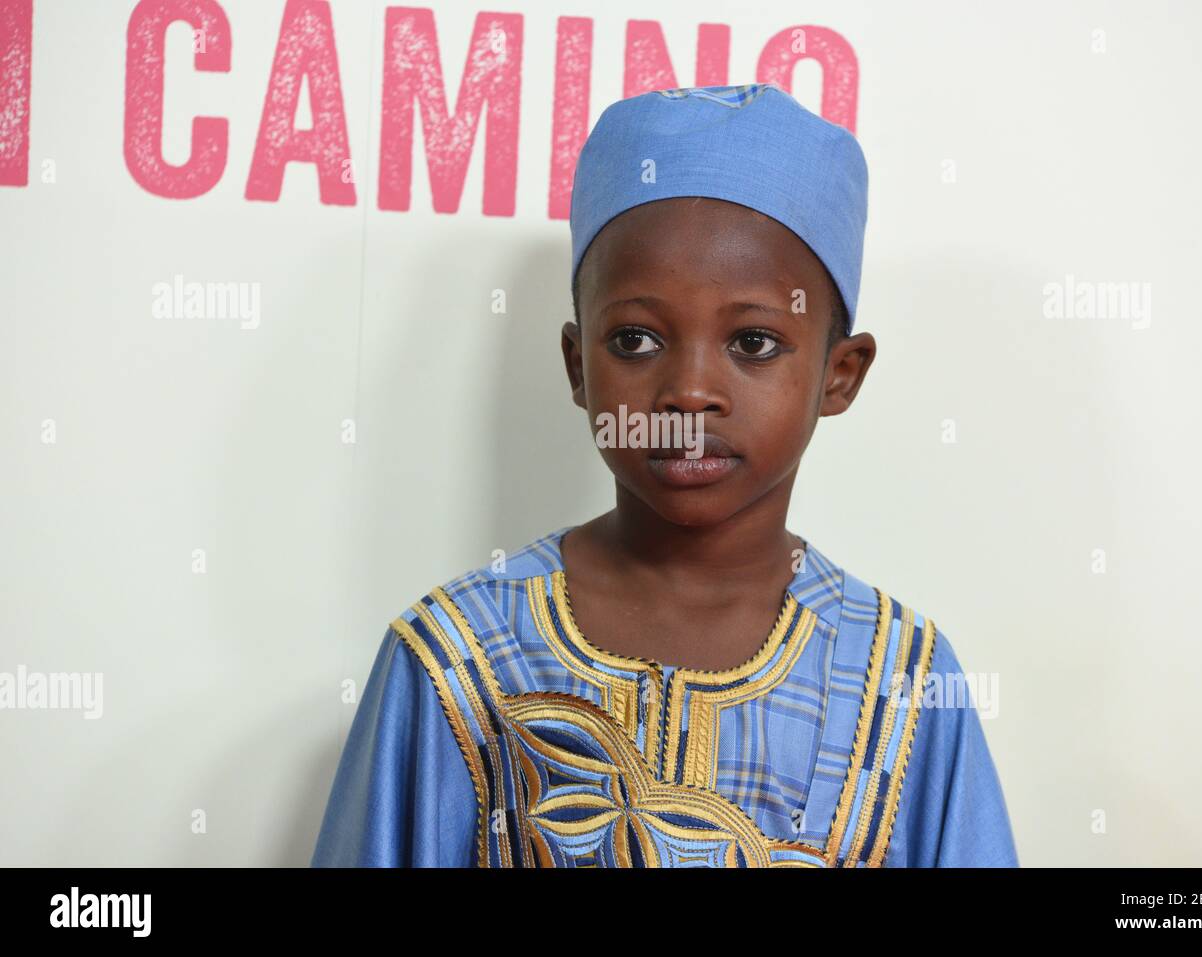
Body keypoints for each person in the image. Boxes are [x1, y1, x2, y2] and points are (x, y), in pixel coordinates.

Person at [311, 83, 1018, 867]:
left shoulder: (904, 685)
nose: (687, 391)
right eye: (637, 340)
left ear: (838, 374)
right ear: (578, 365)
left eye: (752, 342)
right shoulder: (454, 658)